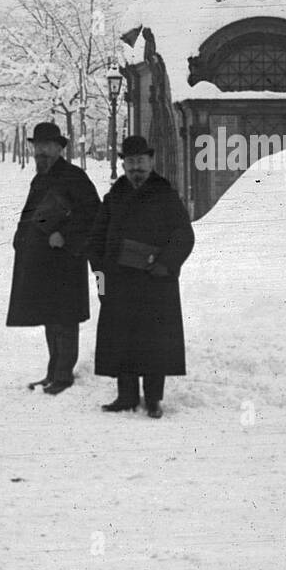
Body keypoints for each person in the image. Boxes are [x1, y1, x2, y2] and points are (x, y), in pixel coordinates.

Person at [88, 135, 194, 418]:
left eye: (141, 162)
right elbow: (96, 238)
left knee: (154, 342)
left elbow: (184, 235)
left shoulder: (165, 195)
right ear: (123, 164)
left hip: (155, 282)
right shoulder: (114, 197)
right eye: (131, 162)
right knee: (122, 339)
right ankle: (126, 396)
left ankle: (153, 399)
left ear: (151, 161)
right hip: (119, 282)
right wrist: (101, 275)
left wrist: (165, 264)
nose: (136, 168)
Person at [6, 121, 101, 395]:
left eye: (47, 146)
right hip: (42, 261)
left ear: (59, 148)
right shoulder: (40, 178)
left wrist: (65, 235)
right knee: (50, 315)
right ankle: (53, 370)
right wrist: (20, 238)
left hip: (66, 261)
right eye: (38, 146)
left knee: (65, 318)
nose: (41, 151)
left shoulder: (74, 177)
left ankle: (63, 374)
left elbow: (93, 214)